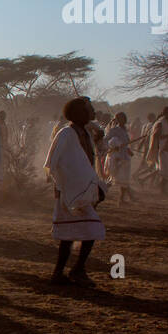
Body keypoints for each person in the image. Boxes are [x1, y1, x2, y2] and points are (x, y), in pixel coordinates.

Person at [45, 97, 105, 286]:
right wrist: (62, 186)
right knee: (89, 229)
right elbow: (52, 163)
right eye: (89, 109)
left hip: (81, 191)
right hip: (69, 192)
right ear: (79, 113)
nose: (93, 111)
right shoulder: (65, 134)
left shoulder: (85, 132)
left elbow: (94, 157)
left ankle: (62, 272)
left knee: (71, 234)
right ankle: (77, 270)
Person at [102, 112, 135, 203]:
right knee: (114, 178)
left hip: (125, 156)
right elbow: (105, 140)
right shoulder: (114, 130)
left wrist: (128, 150)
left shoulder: (125, 130)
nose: (124, 120)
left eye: (124, 118)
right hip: (117, 157)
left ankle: (121, 199)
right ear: (117, 120)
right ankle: (100, 191)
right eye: (121, 118)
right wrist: (112, 147)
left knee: (124, 179)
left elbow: (125, 143)